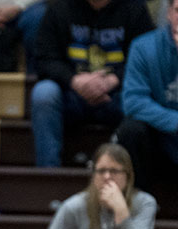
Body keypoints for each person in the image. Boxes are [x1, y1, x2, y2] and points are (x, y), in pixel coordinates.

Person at [30, 0, 153, 167]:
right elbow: (44, 59)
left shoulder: (135, 8)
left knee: (142, 100)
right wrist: (74, 80)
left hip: (117, 95)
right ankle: (48, 174)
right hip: (71, 94)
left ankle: (128, 178)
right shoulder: (59, 8)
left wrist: (113, 80)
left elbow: (147, 58)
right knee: (43, 93)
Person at [117, 0, 178, 191]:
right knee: (131, 129)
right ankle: (138, 200)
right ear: (168, 13)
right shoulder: (143, 47)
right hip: (159, 144)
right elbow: (133, 102)